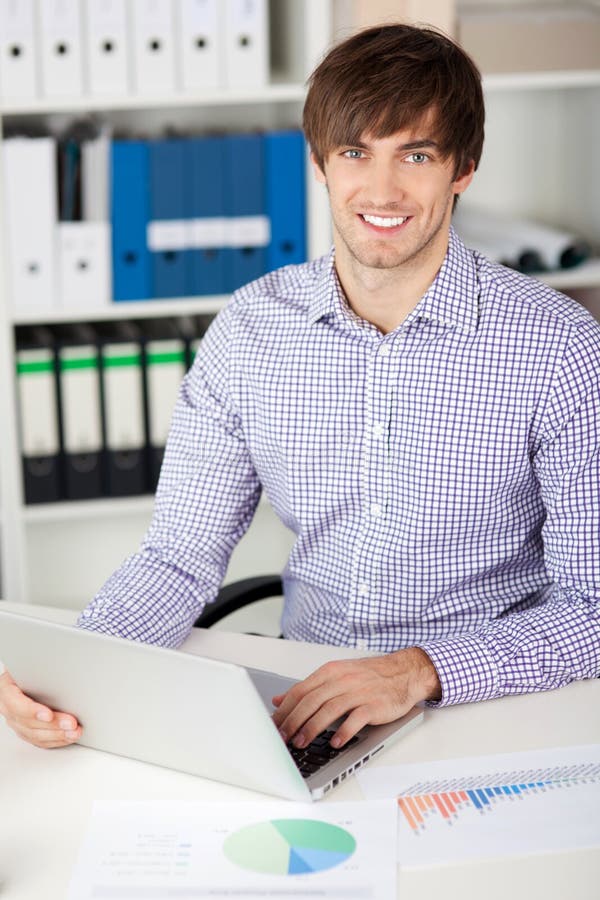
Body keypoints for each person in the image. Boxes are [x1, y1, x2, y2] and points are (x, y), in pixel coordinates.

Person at [2, 23, 599, 754]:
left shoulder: (559, 348)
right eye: (356, 153)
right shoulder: (250, 332)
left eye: (415, 154)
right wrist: (70, 678)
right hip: (304, 701)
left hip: (487, 707)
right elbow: (178, 559)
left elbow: (591, 607)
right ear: (319, 163)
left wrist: (421, 671)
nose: (382, 191)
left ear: (463, 168)